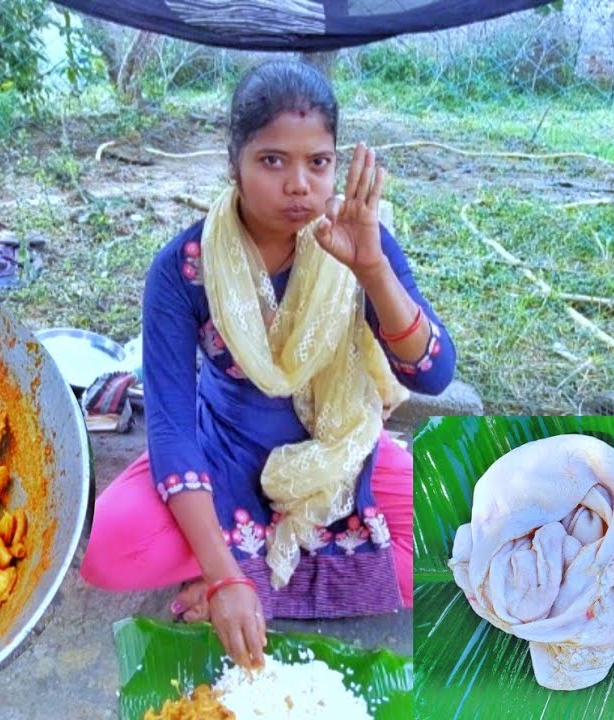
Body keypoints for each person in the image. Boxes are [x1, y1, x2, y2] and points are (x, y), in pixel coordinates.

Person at [79, 59, 455, 670]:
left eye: (318, 162)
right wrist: (230, 579)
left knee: (453, 538)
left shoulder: (361, 242)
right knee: (113, 546)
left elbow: (432, 376)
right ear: (235, 164)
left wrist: (372, 271)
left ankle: (252, 574)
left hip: (336, 453)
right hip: (223, 450)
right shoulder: (184, 267)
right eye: (273, 161)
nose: (299, 185)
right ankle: (248, 573)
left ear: (337, 165)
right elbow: (172, 428)